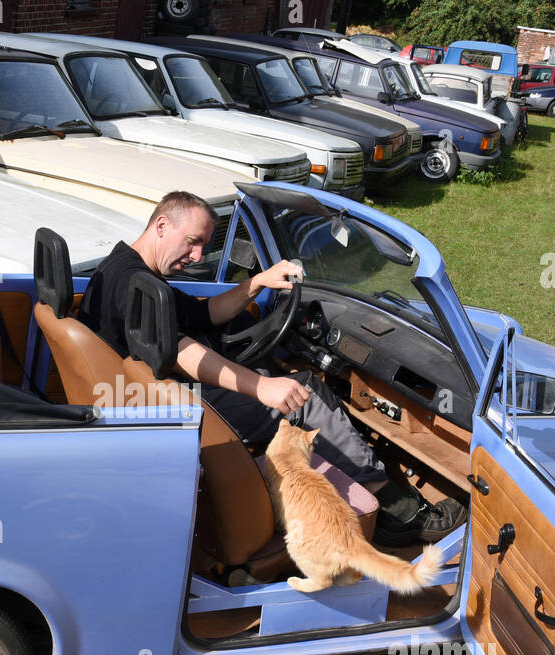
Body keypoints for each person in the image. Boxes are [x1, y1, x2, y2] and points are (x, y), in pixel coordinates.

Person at [79, 190, 466, 545]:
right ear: (161, 225)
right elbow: (181, 351)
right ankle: (401, 515)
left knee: (292, 385)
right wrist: (262, 387)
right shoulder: (137, 285)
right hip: (171, 405)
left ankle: (355, 487)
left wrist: (258, 282)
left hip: (136, 394)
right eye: (193, 242)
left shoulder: (126, 270)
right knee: (307, 397)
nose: (197, 257)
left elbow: (201, 314)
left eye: (203, 247)